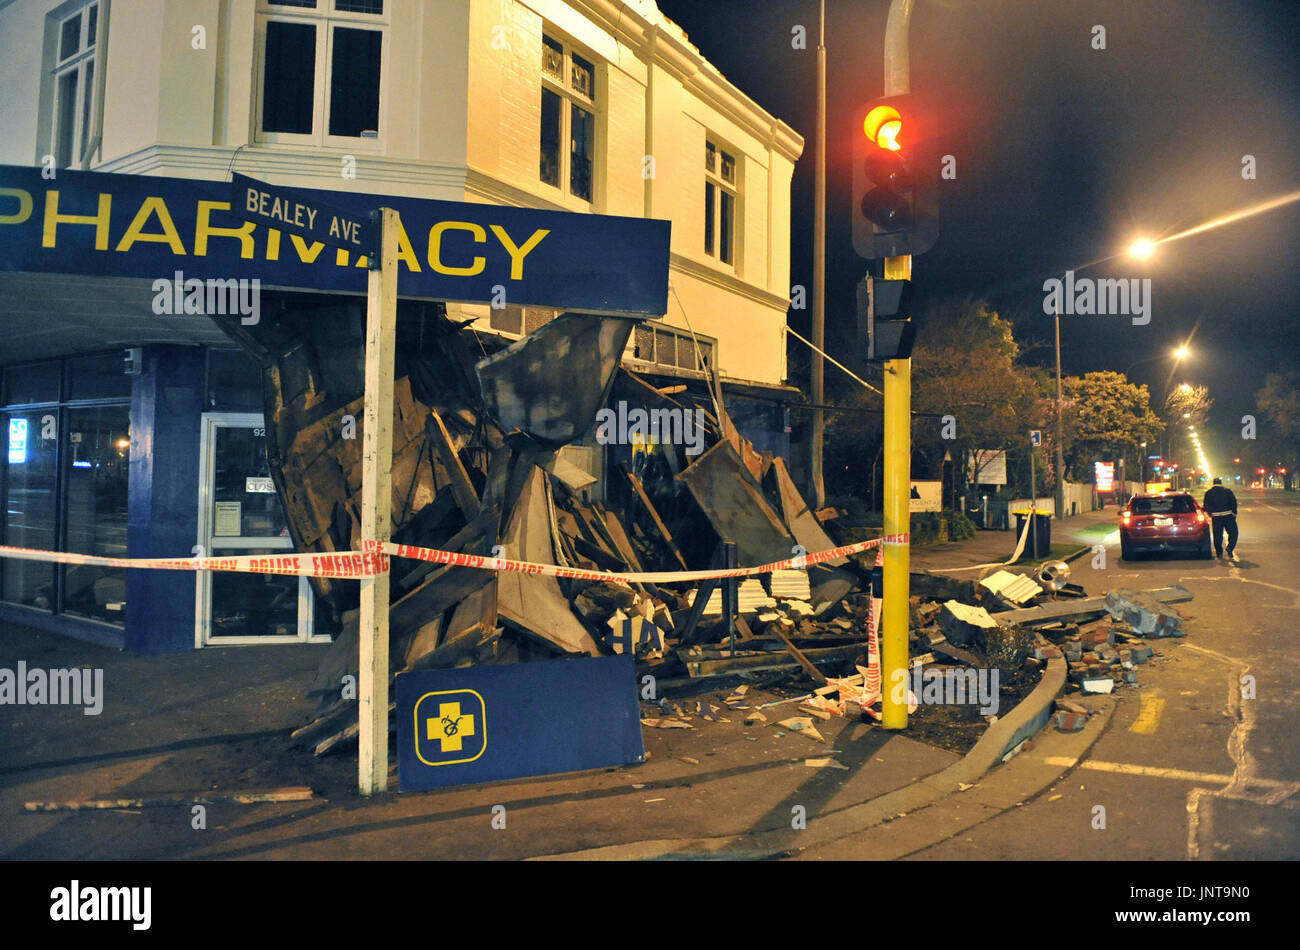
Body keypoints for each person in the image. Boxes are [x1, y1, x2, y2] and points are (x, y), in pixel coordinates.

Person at [1202, 478, 1239, 561]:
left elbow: (1206, 505)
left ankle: (1219, 553)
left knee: (1217, 535)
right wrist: (1234, 513)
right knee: (1234, 533)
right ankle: (1230, 548)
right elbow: (1234, 502)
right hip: (1228, 515)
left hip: (1216, 517)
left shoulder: (1209, 493)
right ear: (1221, 483)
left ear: (1213, 483)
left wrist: (1210, 514)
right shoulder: (1228, 491)